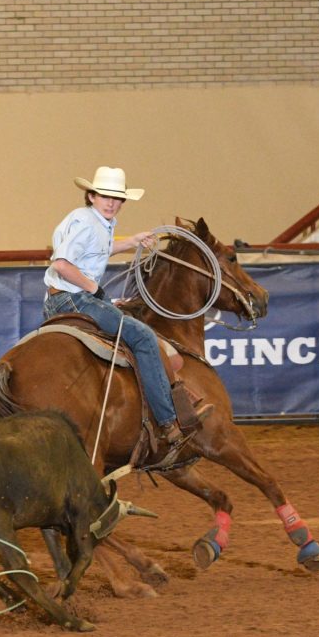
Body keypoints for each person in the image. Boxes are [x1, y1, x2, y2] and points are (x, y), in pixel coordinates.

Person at [42, 165, 208, 469]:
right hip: (75, 298)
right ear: (91, 196)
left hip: (64, 297)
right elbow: (63, 264)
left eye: (117, 198)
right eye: (105, 196)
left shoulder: (96, 222)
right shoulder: (85, 223)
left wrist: (131, 242)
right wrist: (95, 289)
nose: (111, 202)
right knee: (143, 337)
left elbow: (98, 249)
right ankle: (168, 422)